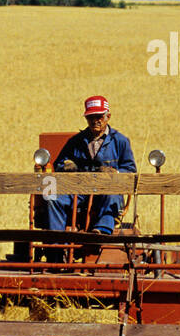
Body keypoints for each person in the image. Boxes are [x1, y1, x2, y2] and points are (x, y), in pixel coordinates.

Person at [37, 95, 136, 234]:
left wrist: (116, 173)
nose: (95, 121)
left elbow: (131, 170)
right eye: (91, 117)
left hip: (106, 192)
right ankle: (57, 243)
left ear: (108, 116)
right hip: (79, 192)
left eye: (99, 116)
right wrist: (68, 167)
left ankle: (101, 231)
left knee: (112, 194)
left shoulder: (120, 141)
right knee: (53, 198)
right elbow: (59, 164)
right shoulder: (75, 141)